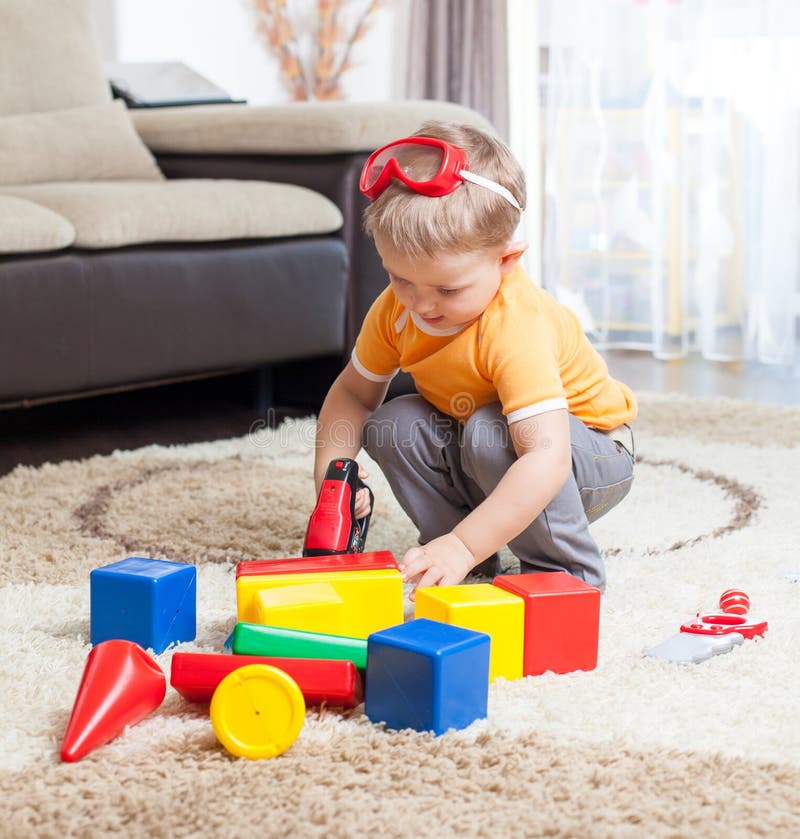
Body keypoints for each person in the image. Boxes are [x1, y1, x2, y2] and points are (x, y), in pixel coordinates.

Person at [314, 121, 637, 597]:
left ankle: (564, 576)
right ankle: (464, 557)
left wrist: (461, 545)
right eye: (401, 279)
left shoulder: (516, 325)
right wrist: (332, 476)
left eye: (447, 289)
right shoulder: (396, 309)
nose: (421, 305)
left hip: (586, 456)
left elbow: (544, 459)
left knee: (492, 430)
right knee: (392, 421)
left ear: (507, 260)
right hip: (484, 447)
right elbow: (353, 395)